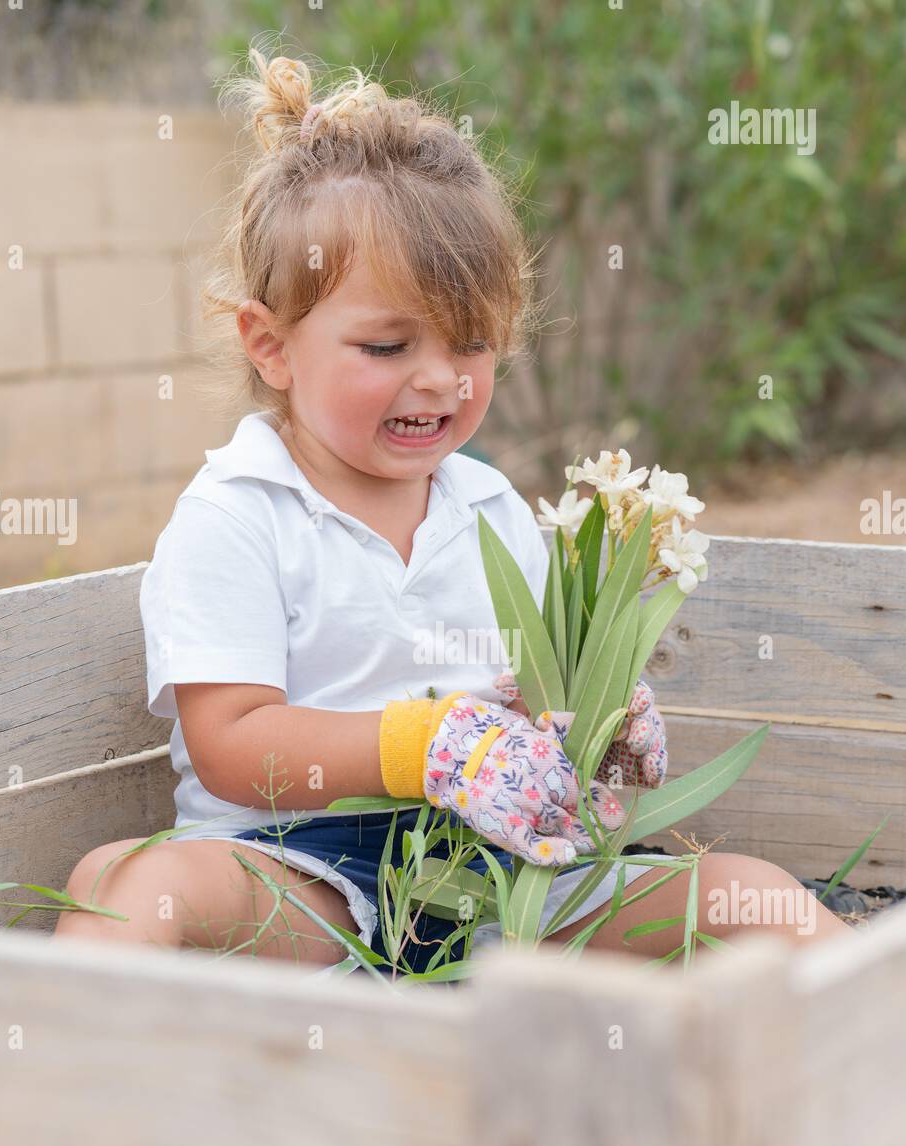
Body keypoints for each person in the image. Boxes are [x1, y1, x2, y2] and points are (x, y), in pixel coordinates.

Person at [53, 46, 854, 976]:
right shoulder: (238, 512)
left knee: (744, 892)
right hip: (302, 875)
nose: (438, 378)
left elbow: (526, 695)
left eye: (471, 343)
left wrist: (588, 727)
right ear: (270, 347)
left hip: (499, 879)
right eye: (387, 344)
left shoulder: (488, 509)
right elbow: (232, 747)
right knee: (129, 881)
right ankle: (67, 1094)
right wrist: (425, 741)